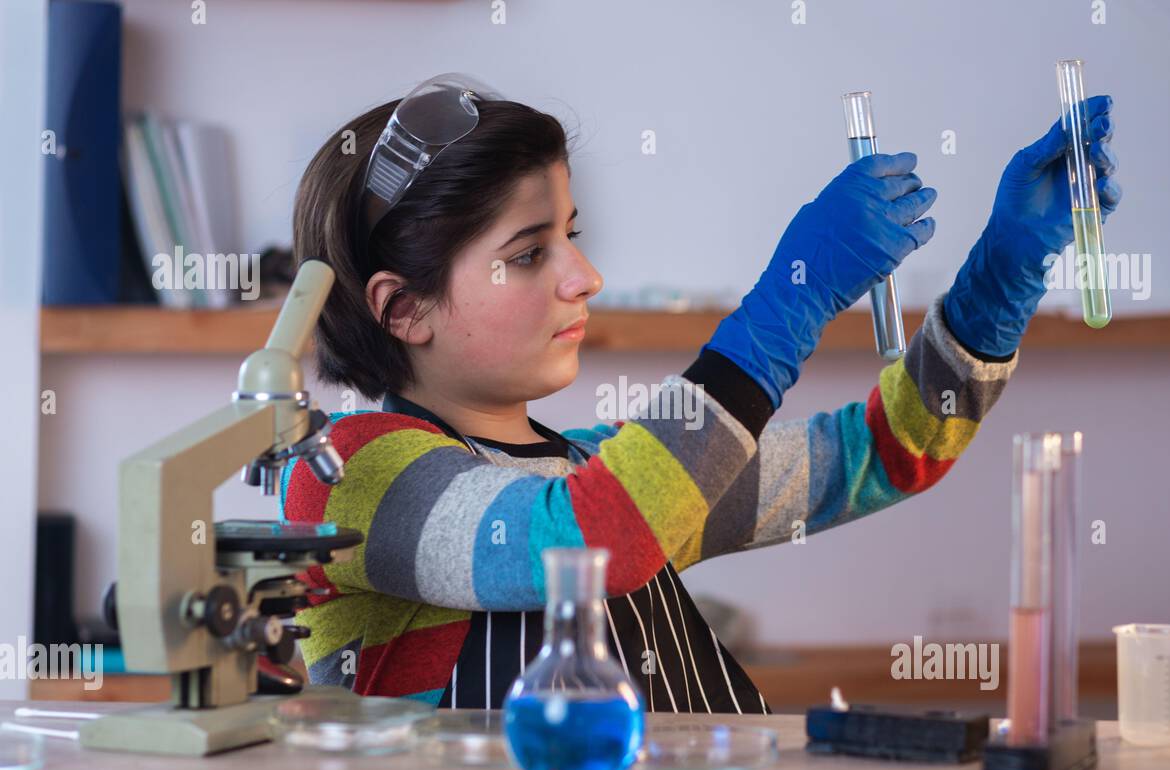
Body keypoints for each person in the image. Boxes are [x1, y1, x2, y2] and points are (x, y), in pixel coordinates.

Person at [284, 77, 1120, 713]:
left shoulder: (602, 469)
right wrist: (786, 304)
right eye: (530, 253)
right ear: (403, 307)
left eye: (569, 237)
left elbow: (886, 454)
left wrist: (1002, 275)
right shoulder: (348, 477)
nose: (586, 276)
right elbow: (593, 536)